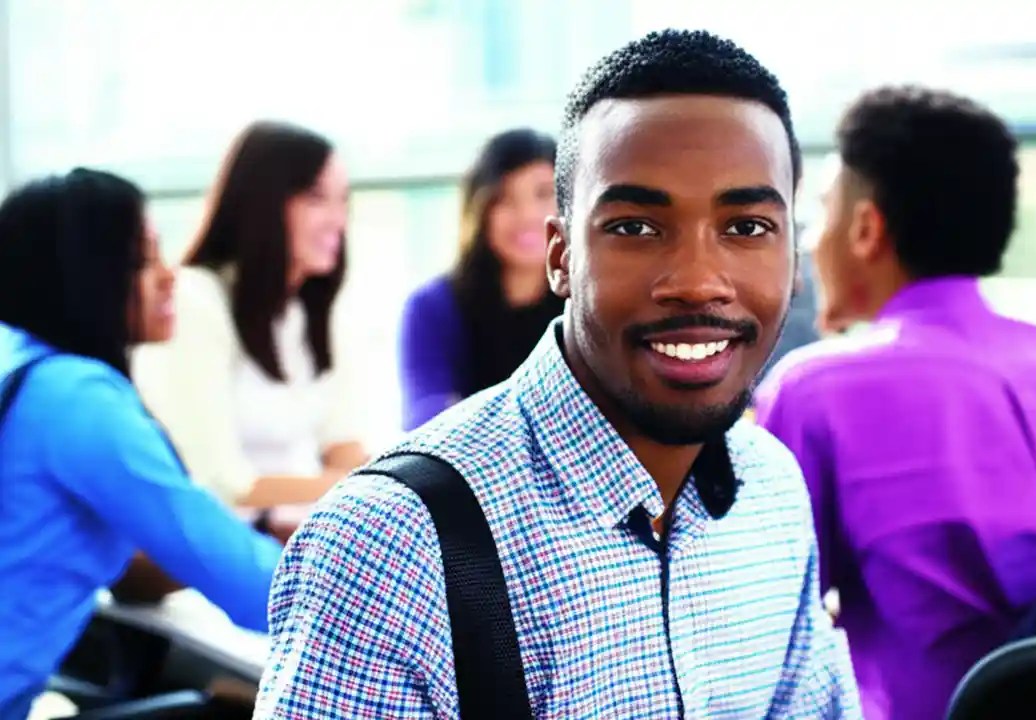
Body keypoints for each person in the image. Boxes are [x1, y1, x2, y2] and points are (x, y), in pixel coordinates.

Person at [256, 30, 858, 718]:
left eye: (747, 227)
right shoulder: (392, 543)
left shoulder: (772, 493)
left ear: (793, 258)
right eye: (635, 227)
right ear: (561, 256)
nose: (697, 282)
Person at [754, 87, 1036, 720]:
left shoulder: (818, 389)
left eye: (819, 215)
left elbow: (763, 634)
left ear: (867, 229)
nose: (810, 244)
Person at [0, 169, 281, 719]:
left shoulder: (23, 363)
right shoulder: (78, 399)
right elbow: (246, 582)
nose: (170, 274)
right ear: (88, 274)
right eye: (146, 259)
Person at [133, 121, 369, 515]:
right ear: (263, 201)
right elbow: (220, 482)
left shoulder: (310, 309)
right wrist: (350, 489)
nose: (337, 220)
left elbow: (342, 441)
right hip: (235, 545)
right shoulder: (196, 300)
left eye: (342, 200)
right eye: (316, 198)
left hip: (303, 530)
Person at [398, 129, 563, 429]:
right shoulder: (433, 307)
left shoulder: (587, 301)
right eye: (504, 199)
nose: (526, 214)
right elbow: (427, 420)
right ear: (480, 208)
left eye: (543, 194)